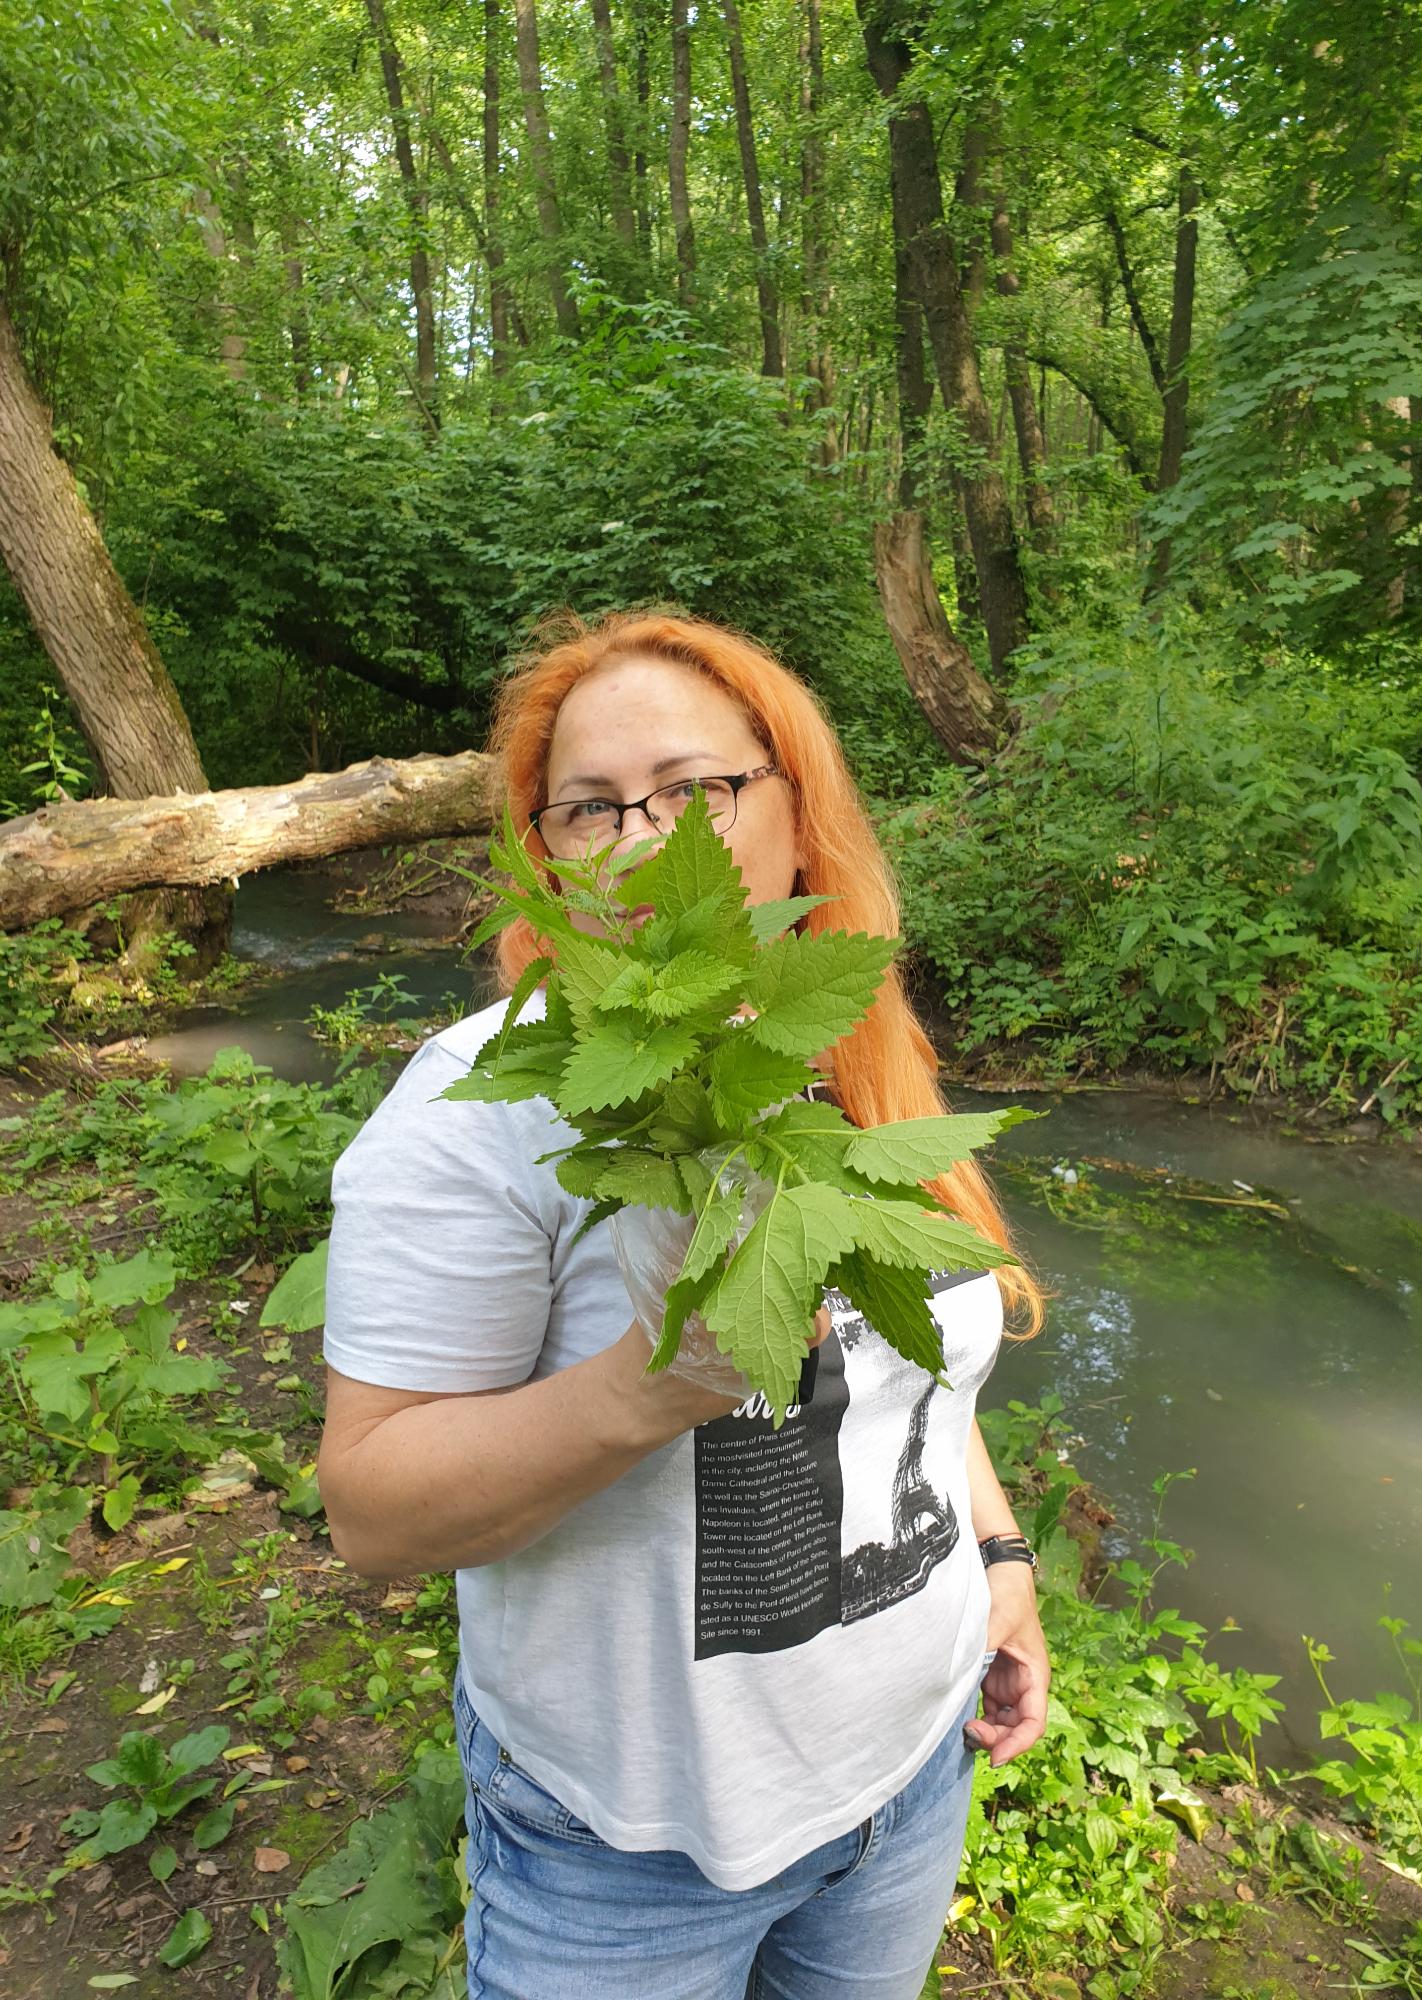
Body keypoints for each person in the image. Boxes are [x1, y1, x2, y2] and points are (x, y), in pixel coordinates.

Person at [317, 610, 1050, 2000]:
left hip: (907, 1785)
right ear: (548, 859)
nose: (648, 838)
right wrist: (647, 1390)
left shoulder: (837, 1048)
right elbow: (373, 1509)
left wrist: (1000, 1565)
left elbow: (911, 1371)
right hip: (631, 1857)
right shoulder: (488, 1109)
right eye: (590, 808)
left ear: (793, 808)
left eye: (697, 789)